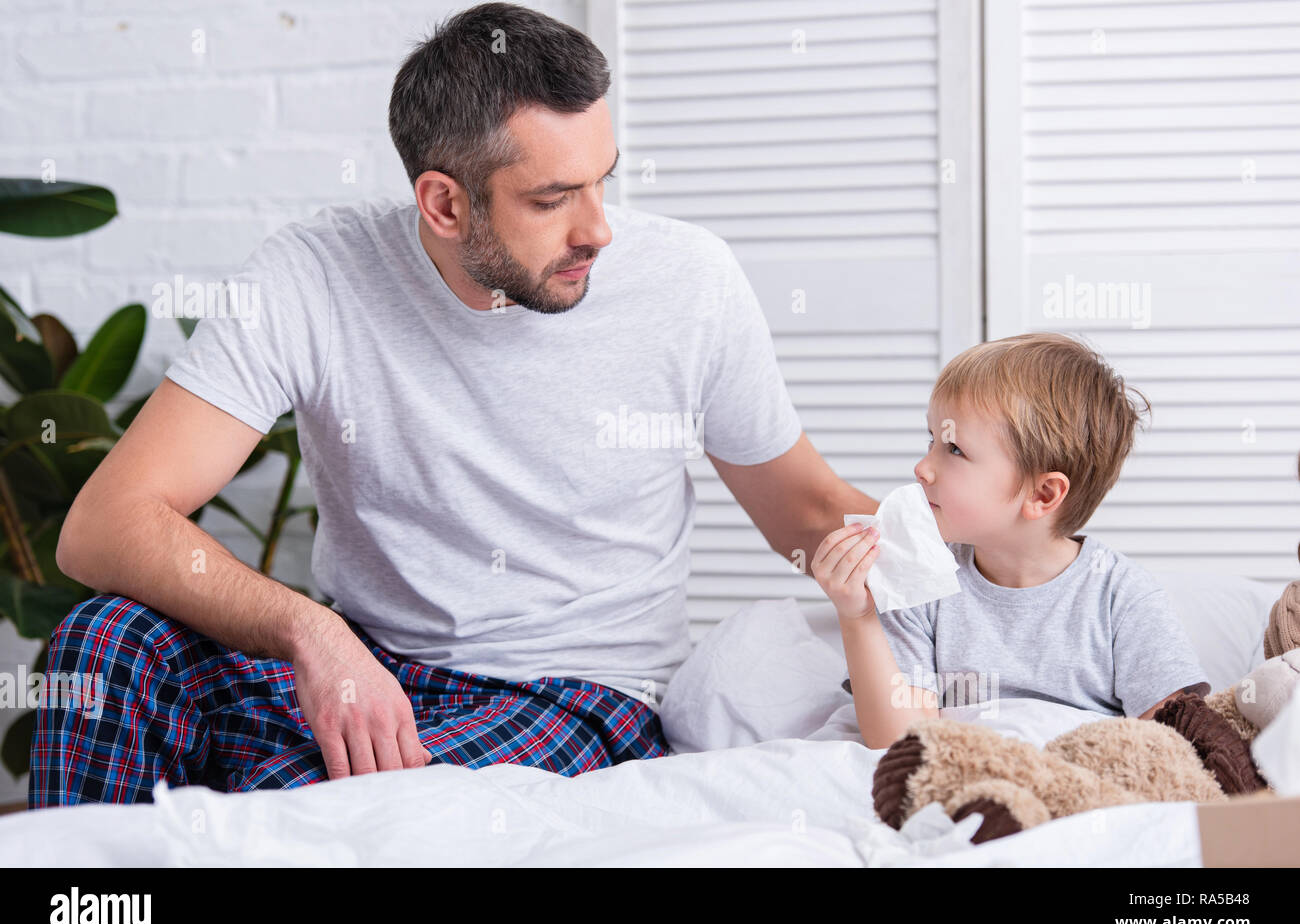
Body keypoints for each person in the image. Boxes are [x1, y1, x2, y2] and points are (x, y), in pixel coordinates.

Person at [32, 2, 878, 806]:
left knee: (320, 812)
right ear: (443, 202)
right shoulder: (316, 274)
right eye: (552, 199)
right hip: (374, 666)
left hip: (576, 693)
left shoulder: (690, 280)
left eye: (602, 182)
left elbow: (805, 509)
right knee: (106, 644)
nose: (599, 230)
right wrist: (312, 633)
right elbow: (103, 525)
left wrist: (978, 546)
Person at [812, 332, 1211, 750]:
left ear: (1041, 495)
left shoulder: (1123, 598)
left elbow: (1173, 748)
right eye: (931, 440)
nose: (921, 468)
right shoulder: (917, 580)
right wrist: (858, 617)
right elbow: (896, 741)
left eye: (954, 450)